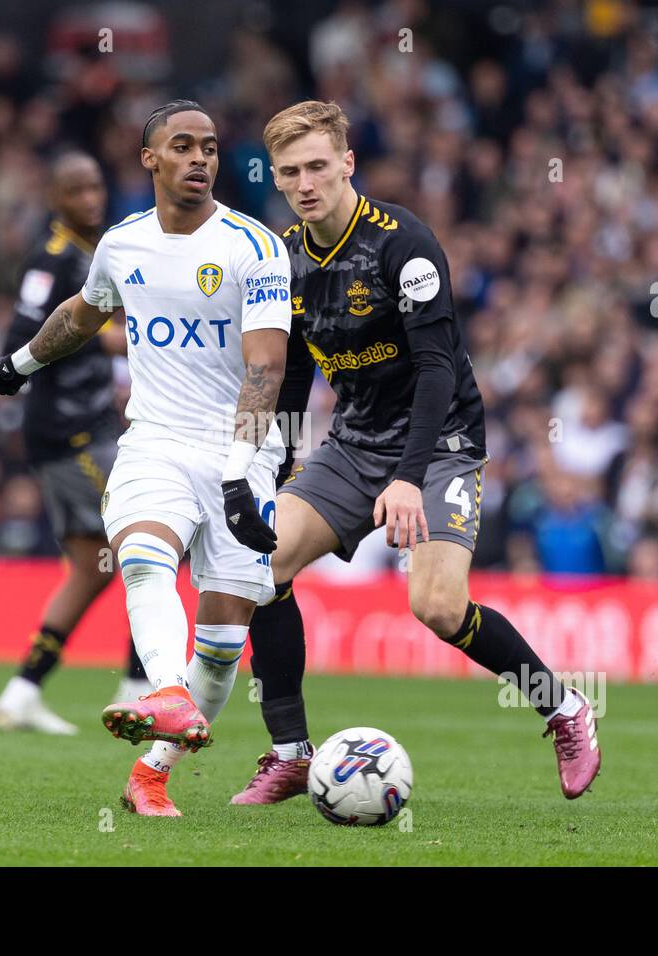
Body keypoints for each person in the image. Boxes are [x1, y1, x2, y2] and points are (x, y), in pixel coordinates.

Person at [232, 100, 602, 805]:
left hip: (441, 442)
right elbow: (294, 379)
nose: (306, 183)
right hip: (355, 439)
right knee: (259, 563)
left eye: (318, 166)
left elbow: (437, 369)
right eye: (290, 173)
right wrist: (268, 472)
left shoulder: (405, 243)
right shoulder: (283, 260)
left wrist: (407, 481)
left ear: (347, 163)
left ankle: (563, 708)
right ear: (277, 180)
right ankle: (289, 752)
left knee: (435, 605)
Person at [0, 101, 292, 816]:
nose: (200, 159)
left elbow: (265, 370)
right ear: (149, 159)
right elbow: (83, 315)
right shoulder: (122, 244)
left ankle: (152, 771)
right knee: (141, 559)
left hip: (240, 454)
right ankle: (162, 691)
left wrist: (243, 470)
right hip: (153, 442)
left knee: (220, 652)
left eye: (209, 147)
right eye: (182, 147)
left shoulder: (256, 247)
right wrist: (19, 364)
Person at [0, 151, 151, 735]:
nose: (90, 198)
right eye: (76, 190)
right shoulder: (51, 260)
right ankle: (140, 685)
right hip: (71, 431)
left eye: (96, 186)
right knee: (150, 535)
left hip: (88, 428)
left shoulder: (93, 255)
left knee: (93, 566)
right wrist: (103, 340)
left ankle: (22, 691)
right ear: (55, 199)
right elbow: (20, 336)